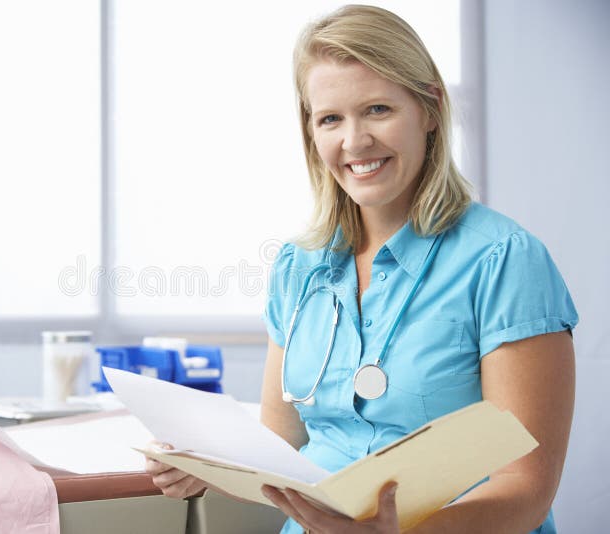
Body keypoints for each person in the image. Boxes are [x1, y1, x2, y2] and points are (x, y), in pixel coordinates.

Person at [146, 5, 578, 533]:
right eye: (330, 118)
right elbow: (282, 445)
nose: (354, 141)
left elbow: (525, 491)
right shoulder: (297, 267)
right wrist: (205, 465)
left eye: (377, 109)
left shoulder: (504, 261)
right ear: (311, 130)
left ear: (430, 109)